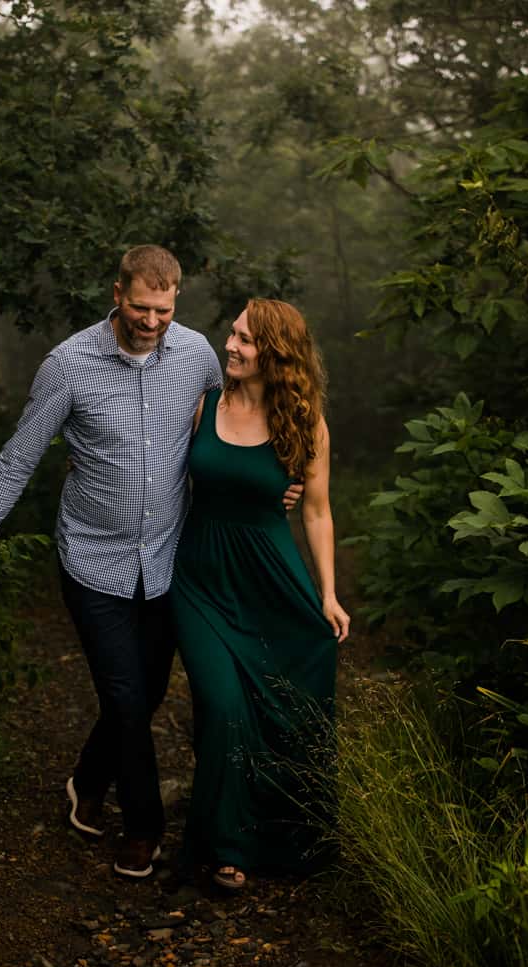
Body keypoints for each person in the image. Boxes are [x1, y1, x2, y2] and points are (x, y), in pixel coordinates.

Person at [0, 246, 298, 880]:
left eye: (163, 310)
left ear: (176, 301)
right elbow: (20, 455)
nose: (151, 320)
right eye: (140, 307)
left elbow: (241, 417)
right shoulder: (69, 365)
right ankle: (144, 829)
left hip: (171, 556)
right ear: (117, 293)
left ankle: (86, 780)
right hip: (93, 558)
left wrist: (280, 476)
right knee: (124, 693)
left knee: (143, 694)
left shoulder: (197, 355)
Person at [171, 297, 350, 893]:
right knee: (223, 705)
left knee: (284, 703)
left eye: (245, 340)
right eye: (234, 333)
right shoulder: (203, 404)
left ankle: (283, 834)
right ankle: (227, 847)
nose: (231, 345)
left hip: (271, 578)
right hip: (199, 579)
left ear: (274, 354)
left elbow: (318, 514)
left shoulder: (304, 419)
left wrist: (327, 593)